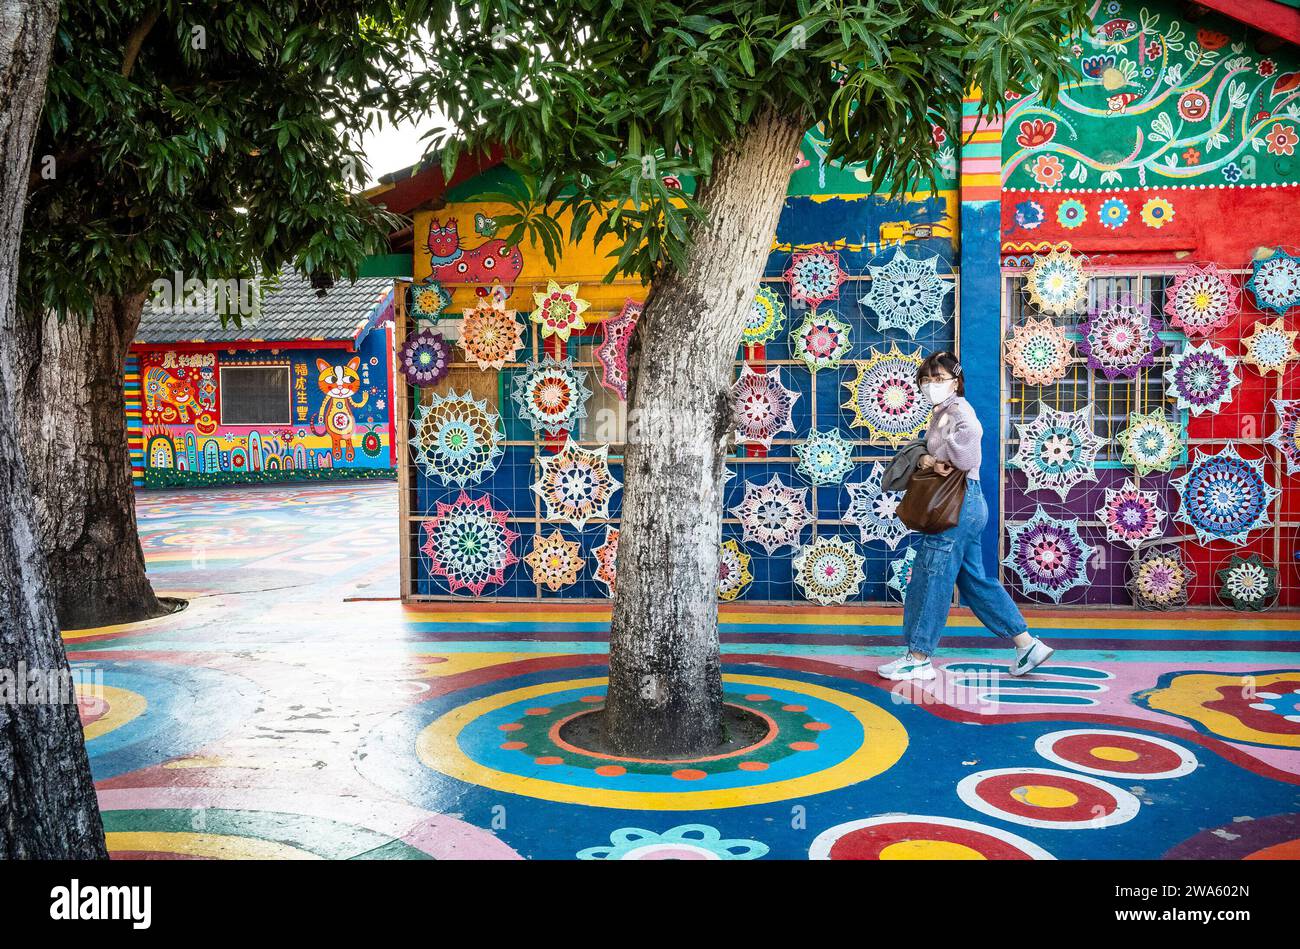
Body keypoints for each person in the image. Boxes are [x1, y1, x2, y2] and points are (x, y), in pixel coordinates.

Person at [877, 351, 1054, 682]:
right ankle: (1026, 644)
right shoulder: (942, 411)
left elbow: (969, 446)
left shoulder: (958, 410)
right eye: (926, 380)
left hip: (954, 504)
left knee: (930, 578)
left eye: (939, 379)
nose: (931, 385)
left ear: (956, 381)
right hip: (968, 503)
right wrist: (929, 459)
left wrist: (935, 458)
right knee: (973, 580)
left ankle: (918, 657)